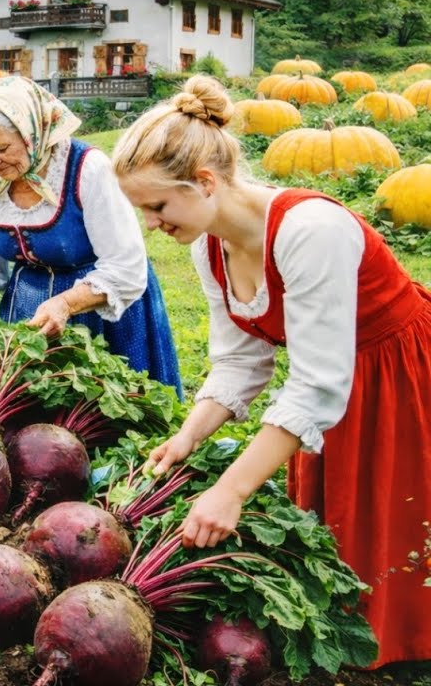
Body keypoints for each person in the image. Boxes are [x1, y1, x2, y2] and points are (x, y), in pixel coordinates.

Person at [111, 75, 431, 668]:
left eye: (158, 205)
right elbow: (240, 361)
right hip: (334, 381)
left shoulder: (310, 231)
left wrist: (230, 491)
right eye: (142, 209)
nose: (152, 222)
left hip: (402, 374)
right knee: (338, 524)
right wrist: (188, 435)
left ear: (205, 182)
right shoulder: (210, 245)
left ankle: (412, 643)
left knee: (404, 517)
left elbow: (314, 385)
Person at [0, 76, 183, 397]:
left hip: (104, 317)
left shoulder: (88, 169)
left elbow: (127, 268)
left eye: (1, 148)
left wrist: (65, 303)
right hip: (27, 315)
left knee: (109, 414)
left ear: (32, 131)